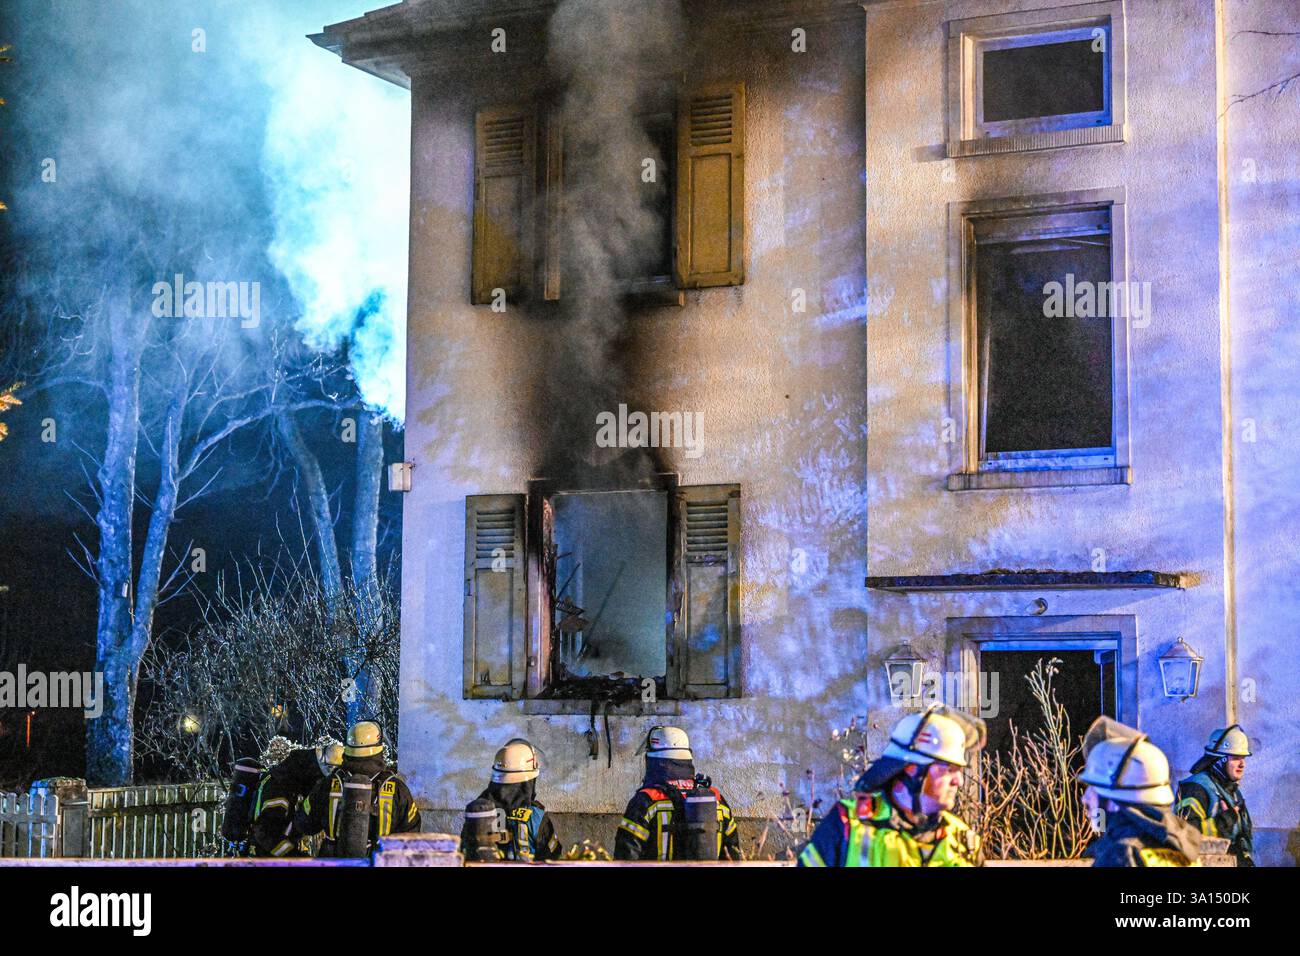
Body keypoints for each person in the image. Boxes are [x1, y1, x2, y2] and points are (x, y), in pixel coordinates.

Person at [798, 704, 984, 867]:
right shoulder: (848, 824)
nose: (958, 781)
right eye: (949, 769)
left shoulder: (964, 842)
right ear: (912, 768)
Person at [1079, 716, 1201, 867]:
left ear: (1114, 801)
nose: (1085, 798)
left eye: (1094, 788)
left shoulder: (1123, 854)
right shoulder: (1184, 849)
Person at [294, 720, 421, 857]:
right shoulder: (396, 789)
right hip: (378, 862)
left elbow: (304, 824)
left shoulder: (328, 785)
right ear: (379, 749)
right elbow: (412, 835)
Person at [615, 726, 742, 861]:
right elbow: (733, 854)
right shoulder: (715, 799)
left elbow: (625, 855)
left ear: (652, 760)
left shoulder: (647, 800)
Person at [460, 738, 563, 862]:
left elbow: (463, 854)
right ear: (529, 781)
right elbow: (553, 859)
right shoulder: (537, 818)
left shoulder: (478, 812)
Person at [1176, 724, 1254, 866]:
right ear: (1220, 759)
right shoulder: (1195, 788)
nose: (1242, 764)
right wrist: (1222, 823)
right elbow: (1183, 837)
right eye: (1236, 757)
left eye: (1243, 757)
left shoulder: (1233, 791)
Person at [250, 742, 343, 857]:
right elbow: (265, 832)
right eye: (319, 779)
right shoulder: (281, 786)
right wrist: (295, 857)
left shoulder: (293, 779)